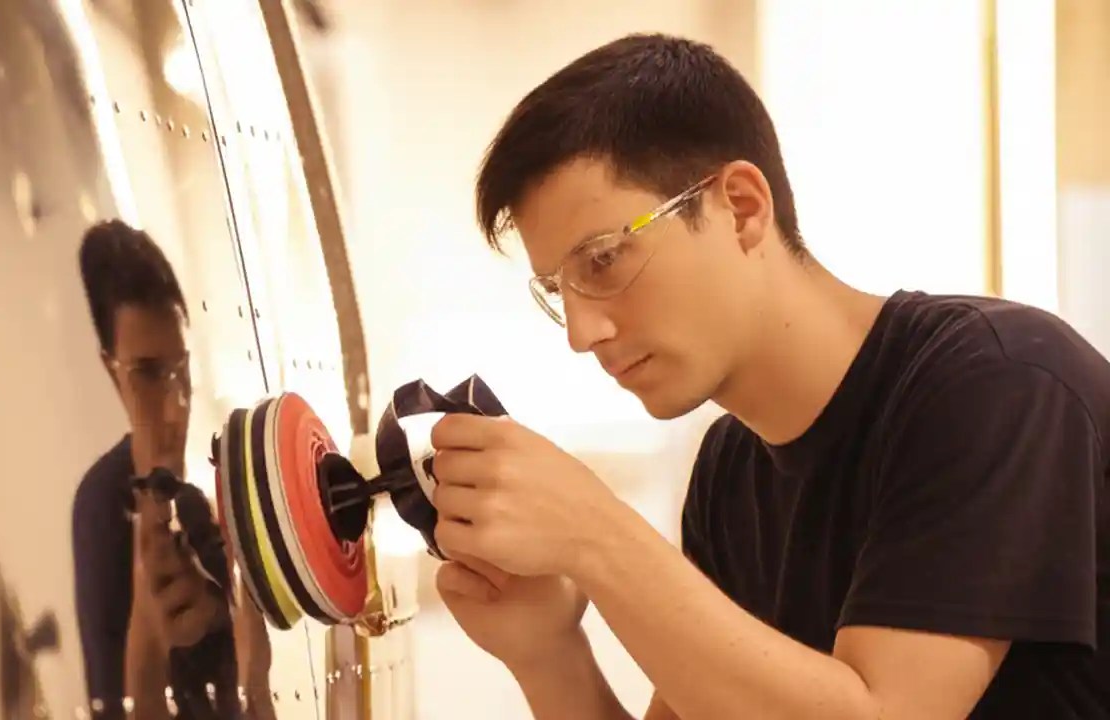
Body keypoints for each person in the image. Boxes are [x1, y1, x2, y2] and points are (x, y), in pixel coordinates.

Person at [426, 33, 1109, 720]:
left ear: (742, 207)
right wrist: (549, 653)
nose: (582, 333)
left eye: (603, 260)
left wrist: (598, 534)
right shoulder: (730, 469)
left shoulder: (999, 381)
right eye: (558, 290)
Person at [74, 220, 274, 719]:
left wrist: (232, 620)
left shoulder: (205, 500)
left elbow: (251, 700)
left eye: (180, 370)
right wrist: (150, 620)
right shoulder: (101, 506)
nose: (174, 406)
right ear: (110, 369)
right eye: (146, 374)